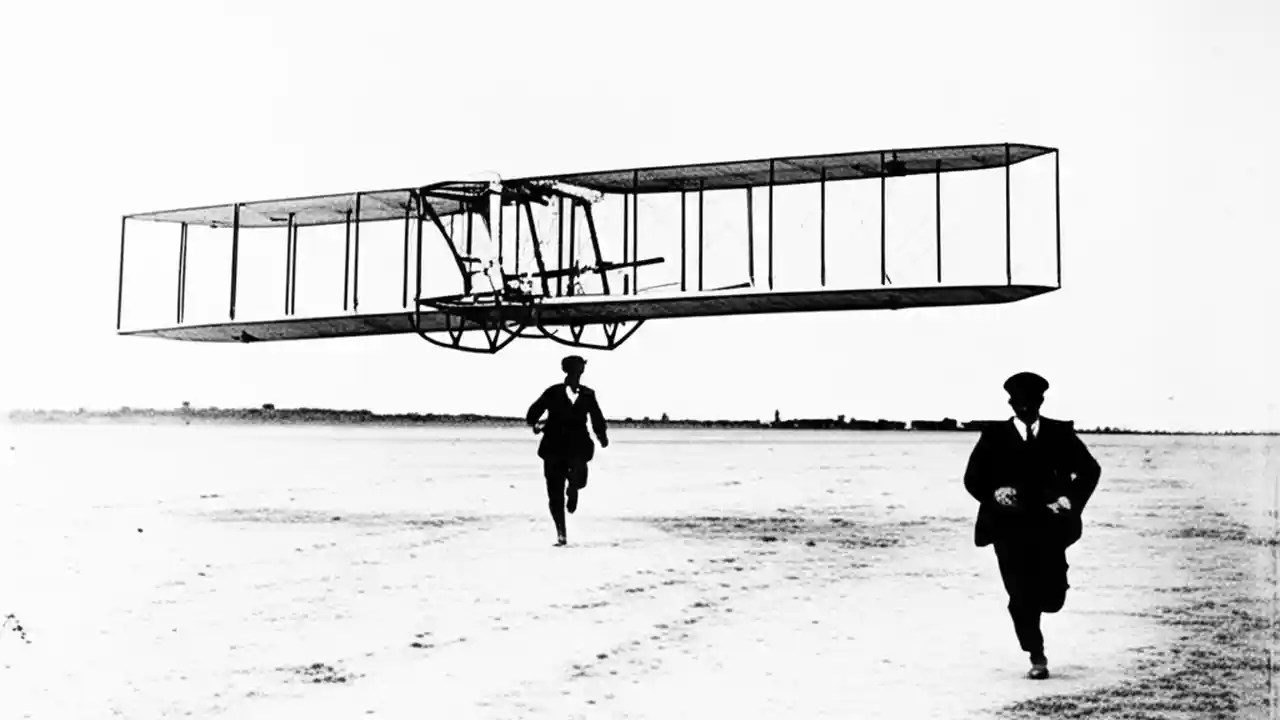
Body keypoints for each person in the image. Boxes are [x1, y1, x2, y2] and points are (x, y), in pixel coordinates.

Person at [963, 371, 1101, 680]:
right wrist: (993, 492)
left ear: (1040, 402)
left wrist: (1070, 499)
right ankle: (1036, 654)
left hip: (1050, 528)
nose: (1023, 408)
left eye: (1030, 402)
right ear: (1010, 403)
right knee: (1020, 595)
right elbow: (973, 478)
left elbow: (1090, 470)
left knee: (1051, 598)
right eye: (1018, 403)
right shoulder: (993, 435)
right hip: (1007, 529)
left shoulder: (1060, 434)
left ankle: (1044, 604)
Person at [526, 355, 609, 546]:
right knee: (555, 493)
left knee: (578, 481)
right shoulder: (554, 392)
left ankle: (573, 488)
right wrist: (539, 423)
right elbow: (532, 414)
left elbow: (597, 418)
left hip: (576, 448)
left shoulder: (587, 394)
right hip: (555, 447)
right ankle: (561, 534)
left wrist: (601, 435)